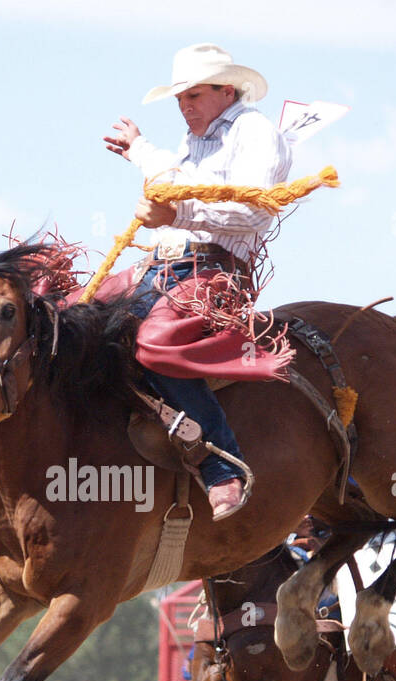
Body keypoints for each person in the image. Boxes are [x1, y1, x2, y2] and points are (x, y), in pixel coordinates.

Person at [101, 43, 292, 520]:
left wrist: (177, 211)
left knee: (157, 342)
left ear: (227, 91)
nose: (185, 106)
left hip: (217, 271)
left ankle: (222, 467)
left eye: (194, 95)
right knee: (78, 318)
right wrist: (139, 149)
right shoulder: (196, 140)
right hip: (167, 265)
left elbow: (255, 209)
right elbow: (177, 178)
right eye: (180, 98)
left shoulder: (255, 131)